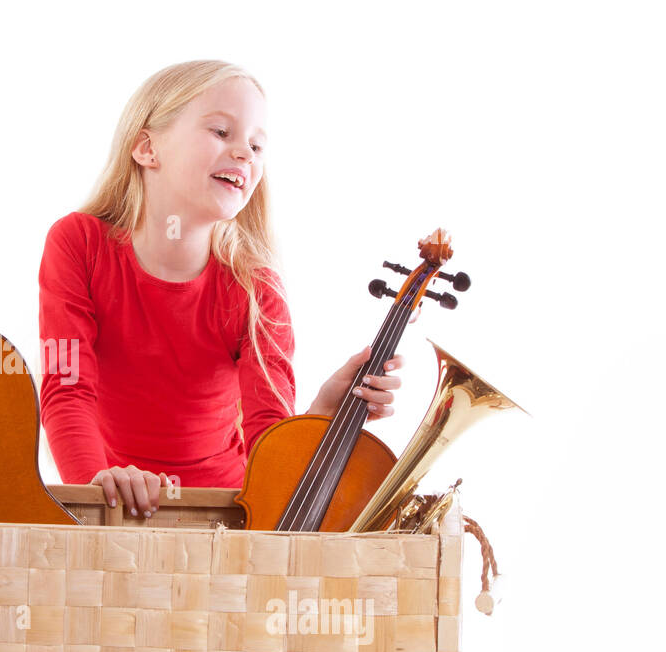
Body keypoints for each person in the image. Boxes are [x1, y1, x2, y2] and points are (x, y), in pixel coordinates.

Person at [38, 58, 409, 518]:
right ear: (146, 148)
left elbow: (267, 437)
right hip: (113, 500)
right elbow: (66, 386)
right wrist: (96, 491)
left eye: (256, 145)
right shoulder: (78, 243)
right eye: (221, 132)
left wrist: (321, 412)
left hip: (223, 511)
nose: (245, 154)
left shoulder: (256, 288)